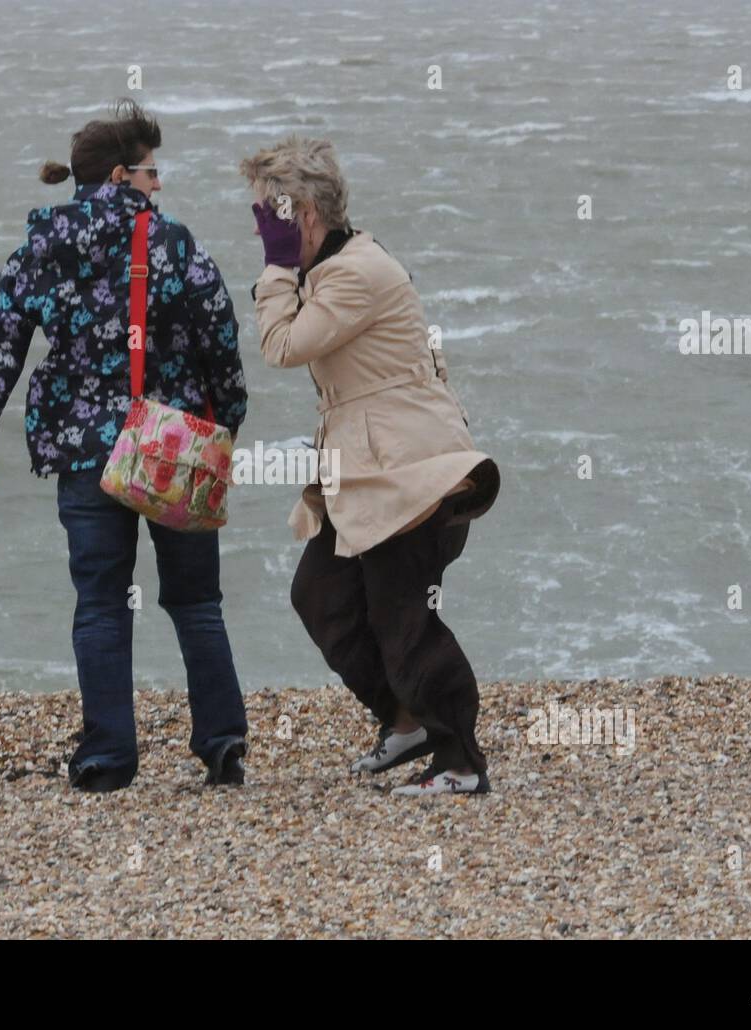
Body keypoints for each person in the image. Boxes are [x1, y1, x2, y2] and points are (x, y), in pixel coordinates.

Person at [0, 99, 250, 792]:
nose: (160, 185)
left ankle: (108, 758)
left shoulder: (42, 244)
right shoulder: (175, 243)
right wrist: (226, 423)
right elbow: (221, 337)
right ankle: (222, 743)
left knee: (99, 601)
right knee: (195, 601)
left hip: (86, 451)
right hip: (170, 449)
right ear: (121, 175)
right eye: (152, 172)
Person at [240, 136, 500, 797]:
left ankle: (462, 762)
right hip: (366, 473)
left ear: (301, 213)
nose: (259, 229)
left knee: (402, 615)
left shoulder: (356, 272)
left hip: (410, 473)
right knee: (321, 597)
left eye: (265, 216)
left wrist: (272, 267)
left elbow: (283, 345)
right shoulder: (334, 266)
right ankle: (406, 720)